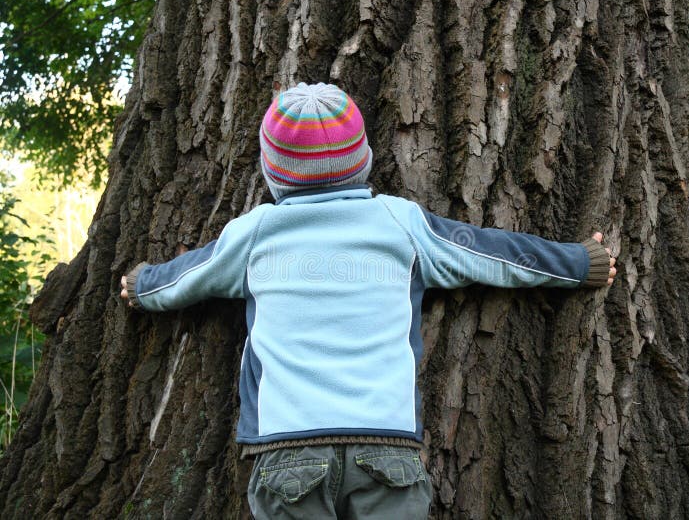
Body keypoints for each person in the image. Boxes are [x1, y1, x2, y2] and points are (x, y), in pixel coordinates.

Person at [120, 82, 616, 519]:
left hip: (287, 448)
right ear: (364, 161)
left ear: (272, 171)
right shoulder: (400, 224)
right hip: (386, 446)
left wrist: (142, 285)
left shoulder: (254, 234)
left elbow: (186, 278)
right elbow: (491, 253)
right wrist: (578, 263)